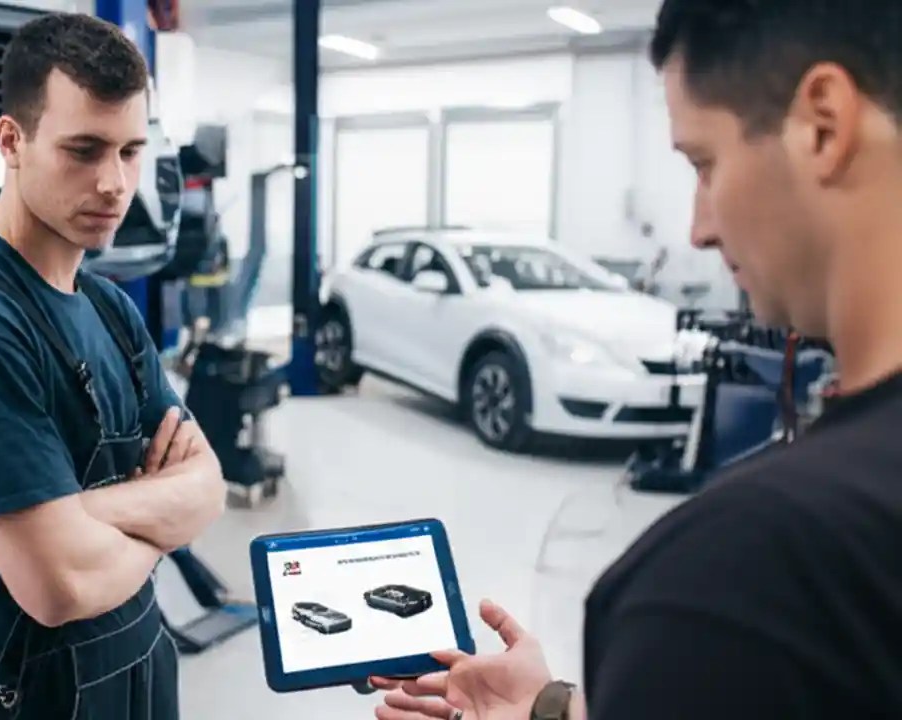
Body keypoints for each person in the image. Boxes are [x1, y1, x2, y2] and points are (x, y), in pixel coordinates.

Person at [372, 1, 902, 718]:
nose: (699, 227)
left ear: (823, 125)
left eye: (704, 163)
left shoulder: (743, 578)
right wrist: (555, 709)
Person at [0, 13, 226, 719]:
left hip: (142, 672)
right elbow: (59, 586)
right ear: (11, 141)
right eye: (84, 150)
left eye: (130, 151)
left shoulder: (109, 307)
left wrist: (87, 515)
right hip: (30, 700)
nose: (114, 183)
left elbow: (207, 488)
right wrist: (158, 521)